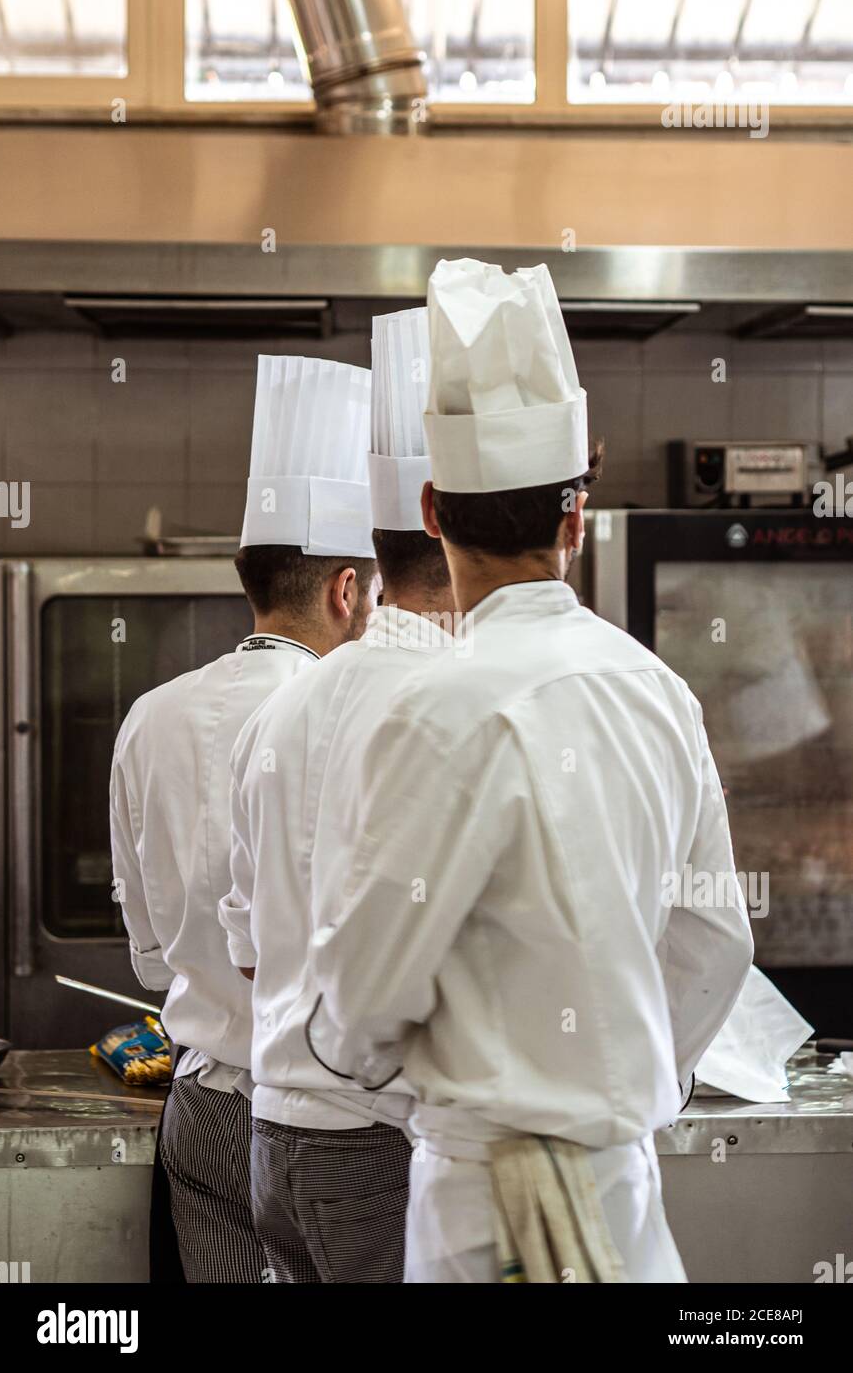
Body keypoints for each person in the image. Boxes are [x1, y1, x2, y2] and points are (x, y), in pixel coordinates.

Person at [305, 258, 755, 1284]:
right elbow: (714, 941)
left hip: (483, 1203)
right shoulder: (655, 692)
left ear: (429, 509)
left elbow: (366, 988)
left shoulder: (429, 706)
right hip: (627, 1192)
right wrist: (620, 1073)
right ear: (575, 519)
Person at [109, 355, 379, 1283]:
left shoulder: (151, 715)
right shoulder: (350, 715)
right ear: (348, 590)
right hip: (324, 1116)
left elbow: (149, 956)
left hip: (201, 1108)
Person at [218, 307, 455, 1284]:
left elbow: (242, 936)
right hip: (371, 1137)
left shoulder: (281, 706)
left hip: (276, 1129)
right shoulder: (435, 702)